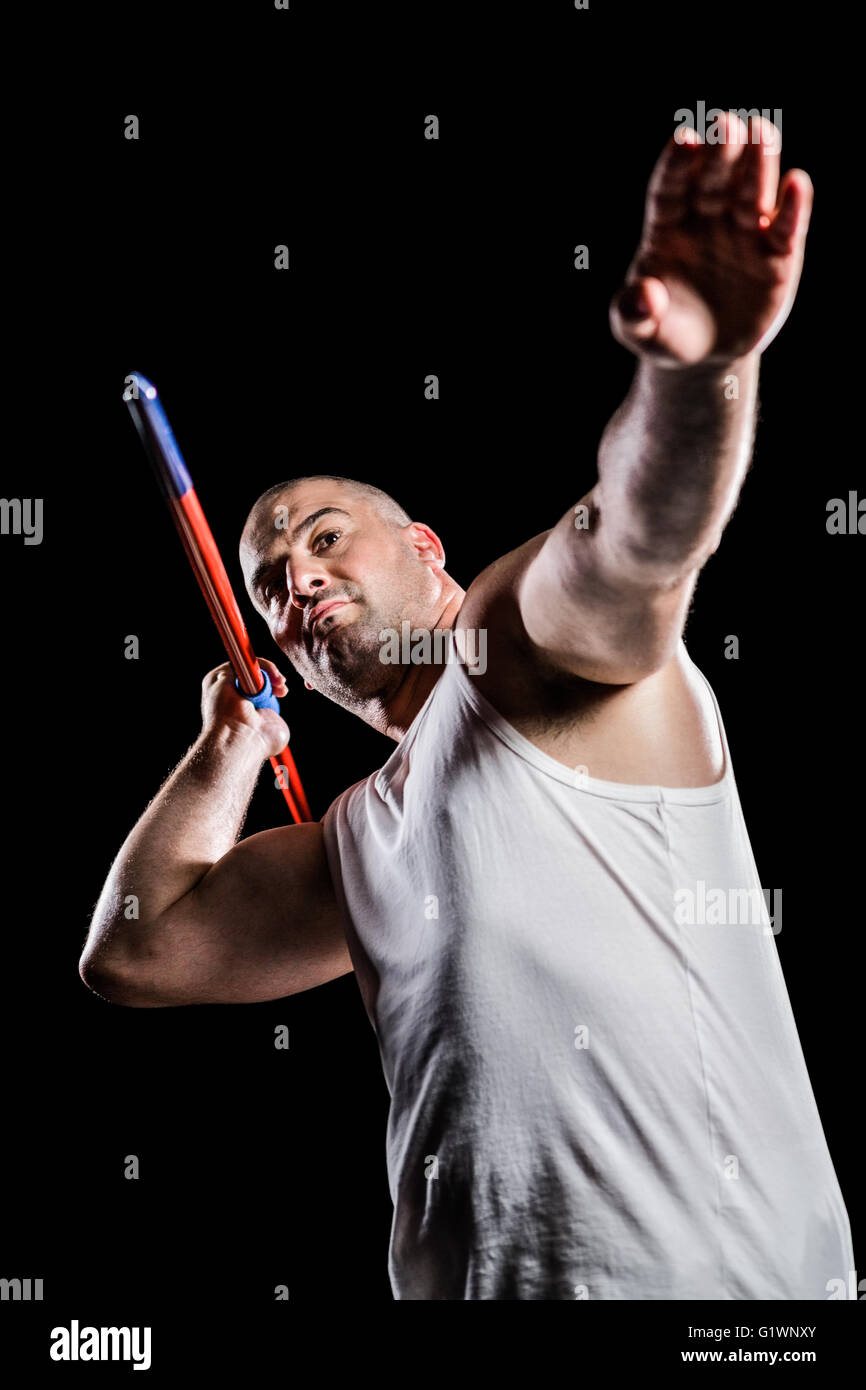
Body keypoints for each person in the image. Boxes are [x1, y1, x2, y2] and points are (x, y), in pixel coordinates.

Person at [81, 113, 855, 1299]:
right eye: (271, 585)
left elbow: (636, 544)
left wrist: (694, 372)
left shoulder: (513, 654)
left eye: (325, 536)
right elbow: (133, 950)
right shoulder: (355, 837)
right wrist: (226, 741)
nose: (297, 577)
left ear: (428, 550)